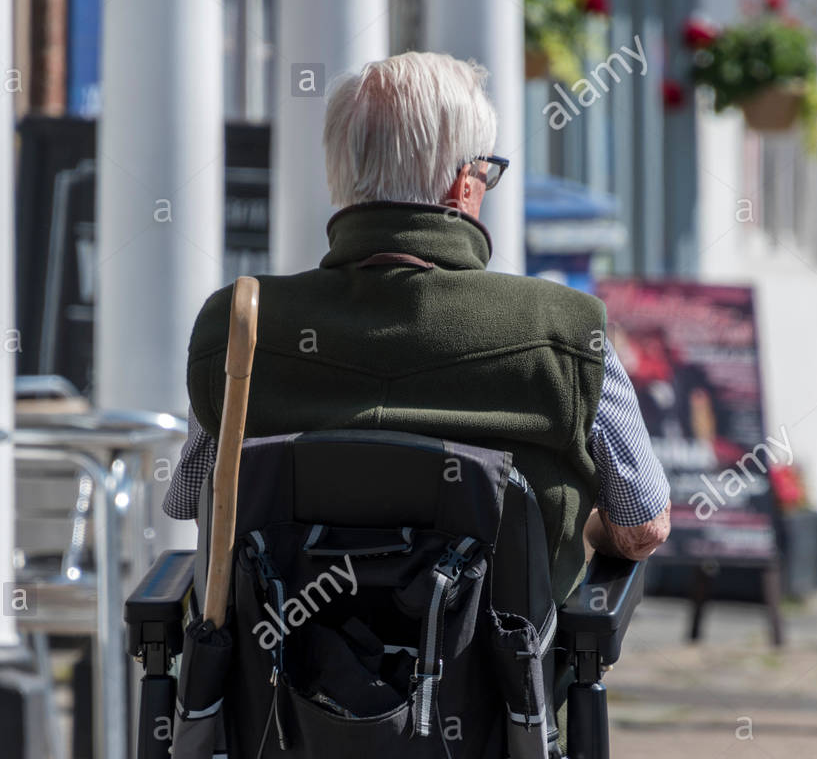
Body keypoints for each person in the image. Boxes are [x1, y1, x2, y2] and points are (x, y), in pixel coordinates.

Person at [165, 50, 670, 604]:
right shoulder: (571, 333)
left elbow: (193, 500)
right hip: (499, 684)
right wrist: (583, 530)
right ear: (465, 187)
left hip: (276, 678)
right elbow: (642, 526)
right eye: (487, 172)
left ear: (340, 175)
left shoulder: (239, 323)